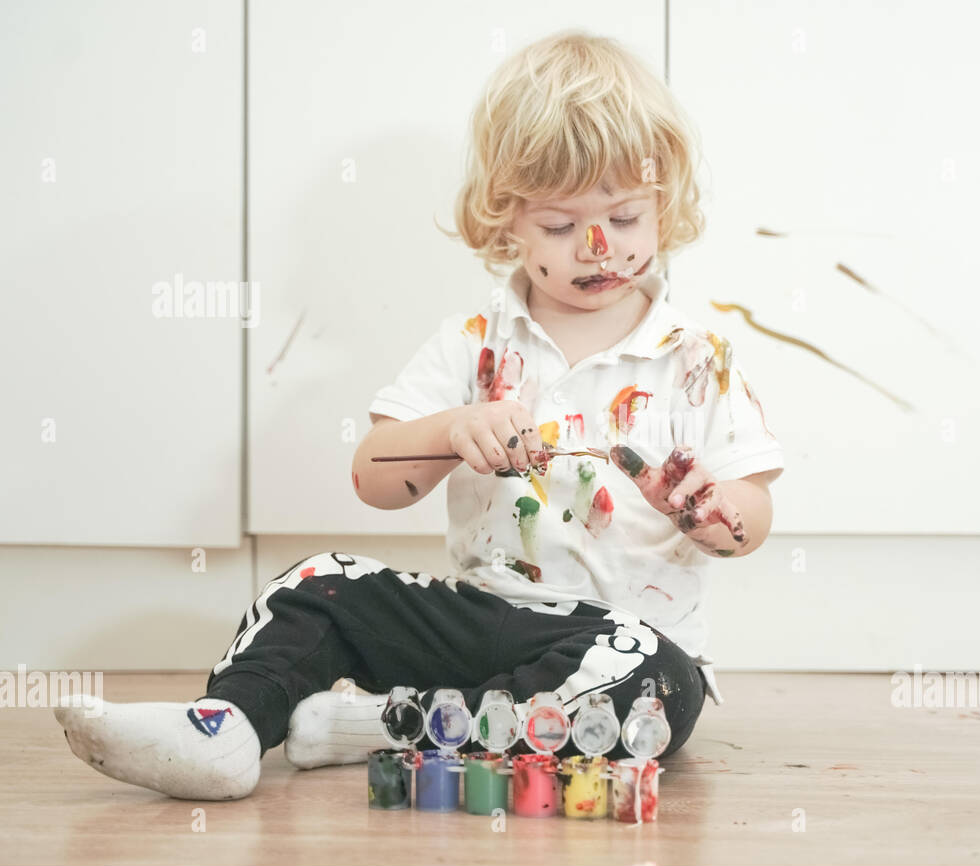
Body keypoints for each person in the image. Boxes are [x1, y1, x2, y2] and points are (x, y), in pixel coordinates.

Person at [54, 29, 784, 800]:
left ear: (663, 203)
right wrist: (449, 431)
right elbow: (373, 474)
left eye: (627, 218)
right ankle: (226, 727)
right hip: (475, 622)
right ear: (508, 220)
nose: (598, 247)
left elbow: (754, 509)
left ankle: (389, 725)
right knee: (315, 583)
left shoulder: (696, 357)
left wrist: (714, 512)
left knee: (657, 678)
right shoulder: (473, 343)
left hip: (616, 639)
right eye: (561, 227)